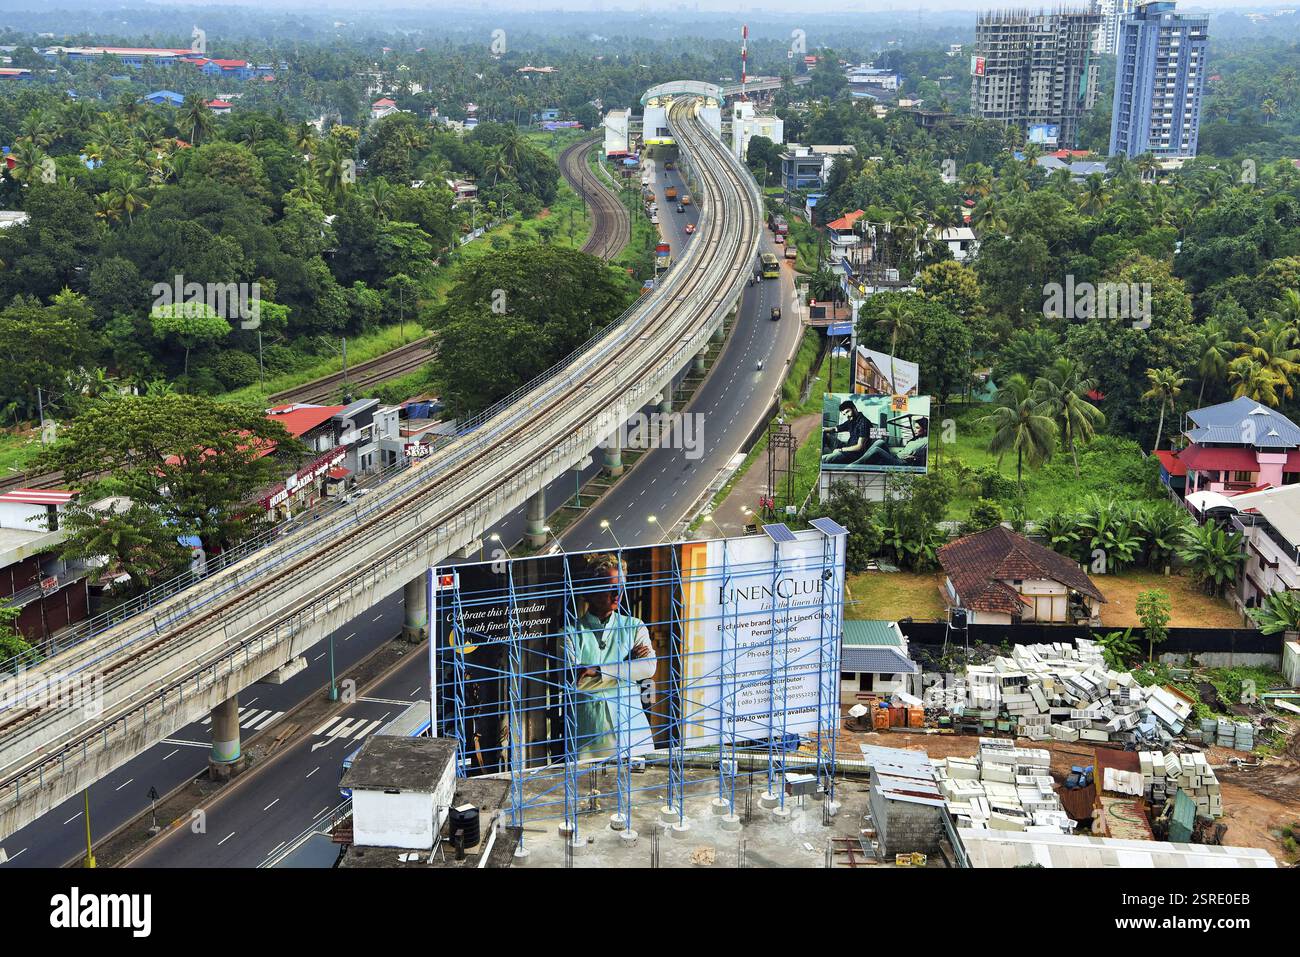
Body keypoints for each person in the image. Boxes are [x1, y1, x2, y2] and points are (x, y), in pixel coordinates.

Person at [566, 552, 657, 761]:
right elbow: (575, 682)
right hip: (591, 737)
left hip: (633, 734)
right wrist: (626, 667)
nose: (618, 593)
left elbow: (648, 668)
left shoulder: (634, 626)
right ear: (590, 590)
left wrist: (598, 671)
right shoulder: (570, 633)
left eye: (621, 586)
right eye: (610, 586)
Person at [855, 416, 929, 468]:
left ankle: (855, 464)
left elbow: (927, 456)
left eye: (917, 428)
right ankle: (861, 459)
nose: (914, 430)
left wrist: (916, 459)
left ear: (925, 429)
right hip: (896, 457)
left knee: (876, 450)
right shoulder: (915, 438)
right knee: (880, 442)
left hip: (901, 463)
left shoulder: (926, 441)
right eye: (914, 427)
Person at [821, 398, 872, 466]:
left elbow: (860, 447)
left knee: (823, 459)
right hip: (847, 447)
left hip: (854, 454)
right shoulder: (851, 421)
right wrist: (824, 429)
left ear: (854, 409)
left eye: (847, 411)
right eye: (844, 414)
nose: (847, 416)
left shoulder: (864, 422)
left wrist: (841, 450)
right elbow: (835, 429)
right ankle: (822, 452)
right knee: (825, 434)